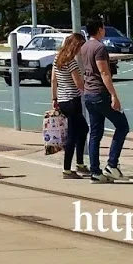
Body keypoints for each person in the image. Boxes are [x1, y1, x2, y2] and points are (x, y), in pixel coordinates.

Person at [79, 15, 128, 182]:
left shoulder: (85, 46)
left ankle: (95, 171)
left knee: (95, 133)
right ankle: (112, 164)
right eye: (103, 27)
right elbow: (104, 72)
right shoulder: (99, 48)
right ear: (99, 29)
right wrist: (114, 95)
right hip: (100, 93)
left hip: (88, 93)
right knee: (122, 126)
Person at [50, 31, 89, 180]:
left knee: (82, 129)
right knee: (73, 134)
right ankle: (67, 169)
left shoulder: (57, 59)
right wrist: (87, 86)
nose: (80, 50)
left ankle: (79, 163)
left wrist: (54, 98)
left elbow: (54, 80)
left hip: (63, 100)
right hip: (73, 100)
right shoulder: (71, 62)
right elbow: (78, 83)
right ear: (75, 46)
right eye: (80, 46)